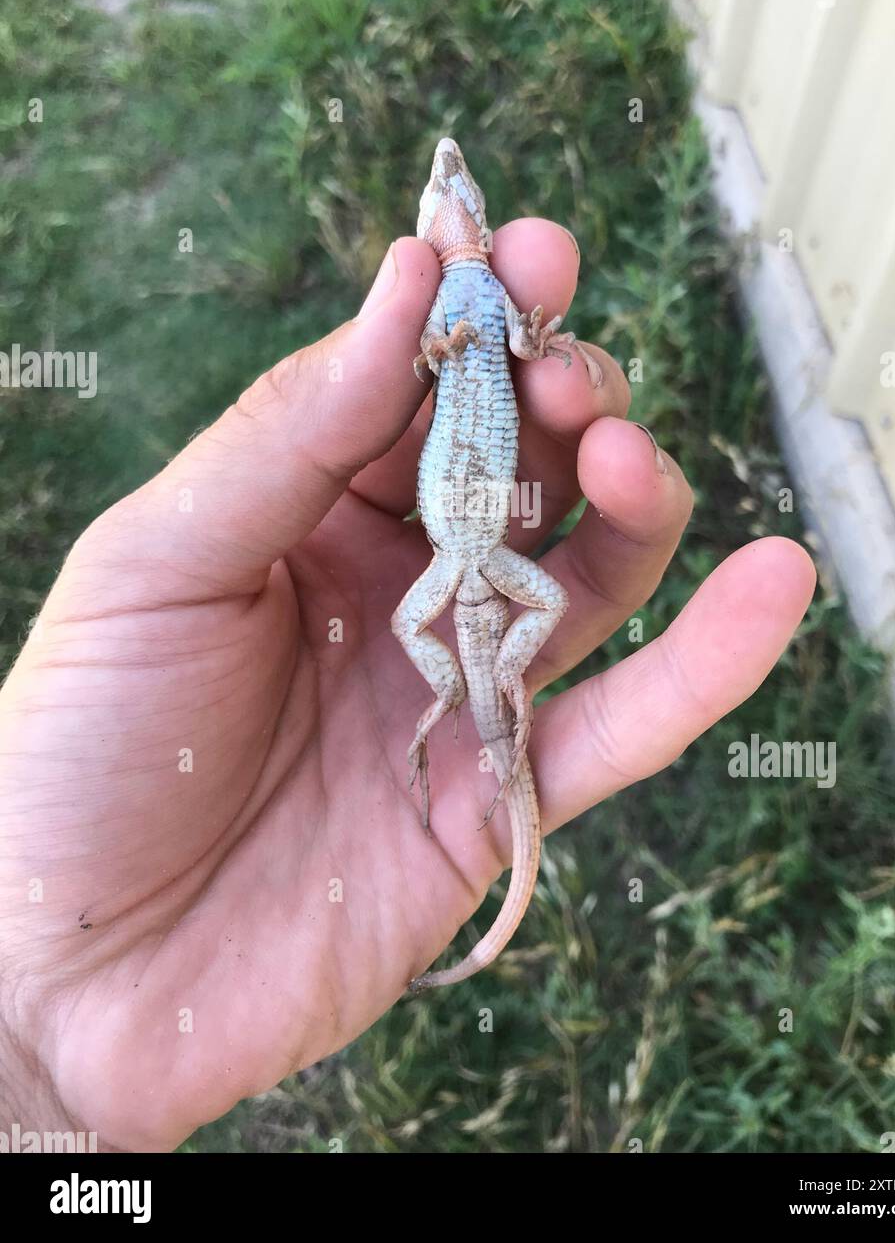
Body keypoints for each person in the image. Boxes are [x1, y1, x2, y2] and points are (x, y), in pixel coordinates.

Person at [0, 222, 816, 1151]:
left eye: (455, 185)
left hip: (471, 554)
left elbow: (516, 350)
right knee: (457, 619)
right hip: (473, 553)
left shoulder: (482, 295)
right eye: (445, 187)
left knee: (523, 612)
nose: (451, 182)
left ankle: (492, 682)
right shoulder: (450, 296)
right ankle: (450, 700)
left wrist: (531, 348)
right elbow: (430, 358)